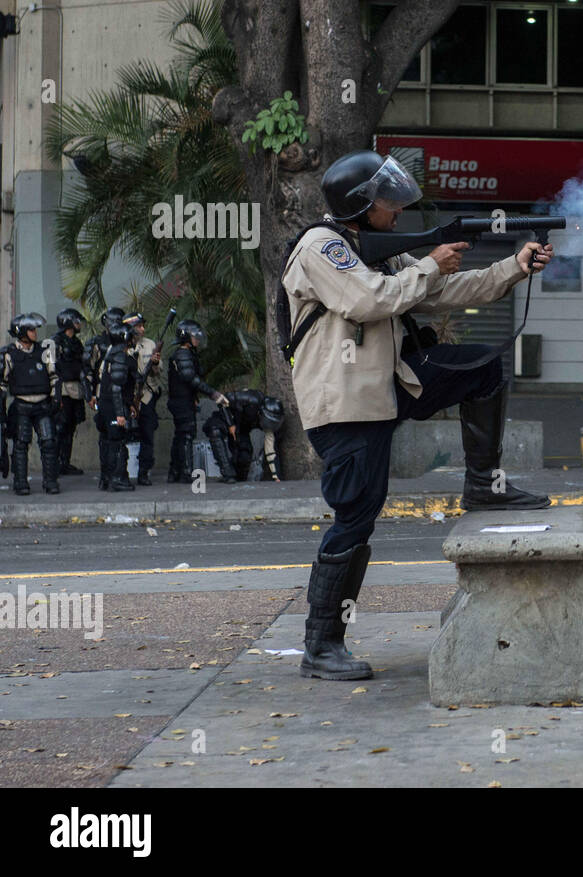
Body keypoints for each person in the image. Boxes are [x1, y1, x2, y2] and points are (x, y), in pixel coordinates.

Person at [280, 149, 553, 680]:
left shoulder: (375, 248)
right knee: (356, 515)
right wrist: (429, 263)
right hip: (346, 403)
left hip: (389, 383)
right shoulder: (323, 246)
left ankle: (483, 484)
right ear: (361, 205)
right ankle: (321, 644)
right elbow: (368, 301)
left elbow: (443, 291)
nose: (397, 212)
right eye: (388, 203)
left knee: (482, 368)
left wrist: (511, 268)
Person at [1, 313, 61, 495]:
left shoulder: (44, 351)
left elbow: (54, 376)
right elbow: (2, 384)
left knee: (49, 443)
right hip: (22, 407)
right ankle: (20, 483)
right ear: (21, 332)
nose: (35, 333)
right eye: (31, 329)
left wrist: (56, 398)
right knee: (21, 444)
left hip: (43, 406)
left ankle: (50, 482)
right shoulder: (9, 353)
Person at [166, 319, 228, 482]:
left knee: (181, 435)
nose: (197, 339)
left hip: (183, 400)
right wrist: (213, 394)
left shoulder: (187, 354)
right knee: (186, 434)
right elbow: (191, 379)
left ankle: (175, 472)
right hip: (181, 401)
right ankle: (186, 472)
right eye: (194, 336)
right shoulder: (183, 355)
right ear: (186, 337)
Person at [201, 389, 285, 483]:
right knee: (214, 430)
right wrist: (230, 424)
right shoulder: (252, 399)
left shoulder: (268, 426)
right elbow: (224, 399)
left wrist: (276, 476)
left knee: (244, 456)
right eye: (268, 422)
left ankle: (239, 478)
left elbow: (271, 450)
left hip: (241, 428)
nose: (269, 426)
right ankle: (228, 474)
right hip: (226, 417)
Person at [94, 321, 137, 492]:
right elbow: (117, 388)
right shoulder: (119, 357)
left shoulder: (112, 355)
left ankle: (106, 478)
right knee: (117, 443)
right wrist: (120, 414)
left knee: (107, 442)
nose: (134, 338)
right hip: (112, 406)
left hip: (107, 405)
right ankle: (117, 479)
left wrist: (130, 404)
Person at [123, 312, 163, 485]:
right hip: (127, 397)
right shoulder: (121, 346)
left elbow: (158, 372)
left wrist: (154, 363)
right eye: (139, 326)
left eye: (142, 325)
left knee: (148, 434)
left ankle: (144, 472)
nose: (142, 329)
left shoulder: (150, 345)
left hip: (146, 397)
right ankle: (120, 473)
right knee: (120, 436)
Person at [53, 308, 89, 476]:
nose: (79, 324)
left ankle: (64, 463)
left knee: (71, 426)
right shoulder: (55, 342)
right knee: (60, 426)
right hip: (63, 389)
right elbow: (52, 369)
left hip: (76, 389)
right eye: (76, 321)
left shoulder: (76, 343)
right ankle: (54, 463)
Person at [83, 306, 125, 413]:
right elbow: (87, 369)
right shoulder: (98, 343)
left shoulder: (126, 342)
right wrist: (90, 394)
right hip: (102, 391)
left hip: (124, 391)